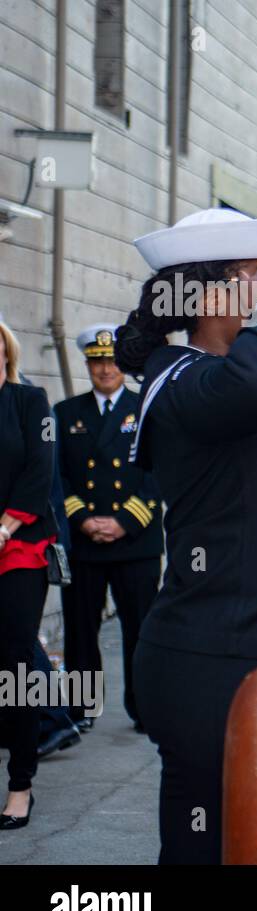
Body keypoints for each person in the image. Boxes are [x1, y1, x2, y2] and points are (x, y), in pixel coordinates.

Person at [117, 209, 257, 864]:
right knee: (210, 848)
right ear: (215, 297)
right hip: (215, 660)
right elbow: (253, 381)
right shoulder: (182, 380)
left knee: (256, 841)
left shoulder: (221, 384)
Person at [53, 324, 163, 734]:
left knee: (141, 631)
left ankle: (144, 708)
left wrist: (124, 521)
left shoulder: (148, 409)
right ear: (87, 364)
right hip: (86, 543)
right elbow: (57, 476)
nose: (105, 369)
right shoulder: (65, 414)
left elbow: (161, 472)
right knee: (81, 630)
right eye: (97, 361)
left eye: (112, 360)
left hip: (135, 540)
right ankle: (81, 709)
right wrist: (82, 519)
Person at [0, 316, 57, 829]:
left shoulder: (29, 402)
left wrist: (3, 527)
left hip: (18, 549)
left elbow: (40, 470)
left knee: (16, 662)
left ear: (5, 353)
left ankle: (21, 786)